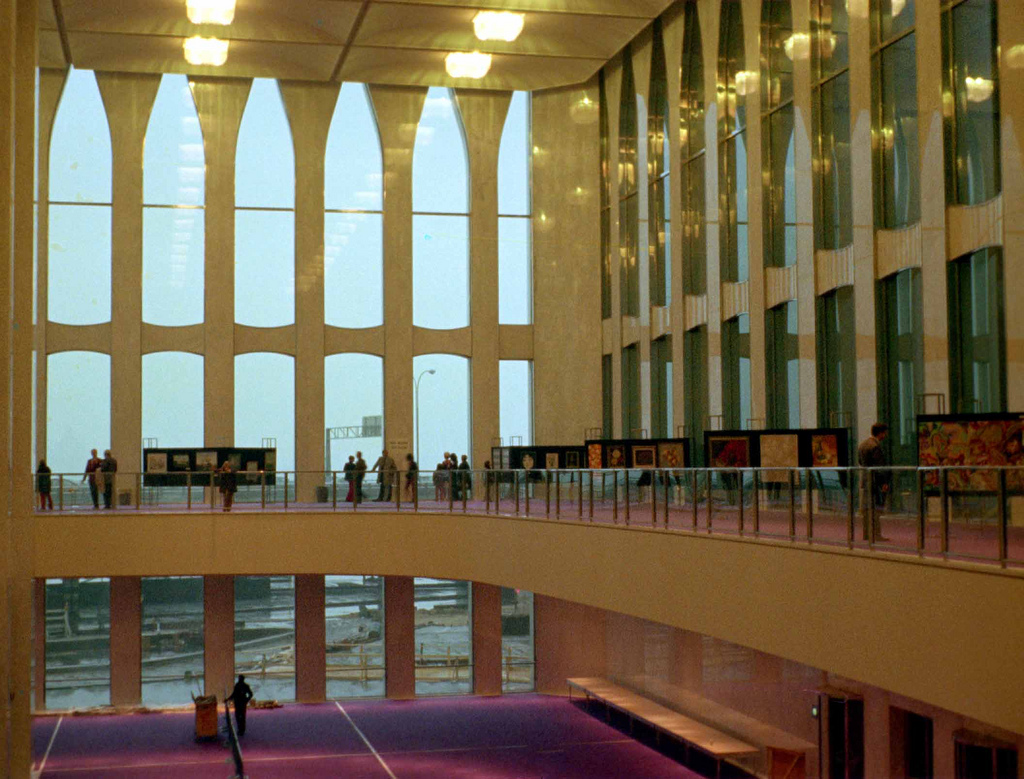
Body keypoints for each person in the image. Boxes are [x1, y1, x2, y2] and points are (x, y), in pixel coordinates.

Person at [857, 423, 891, 542]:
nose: (885, 435)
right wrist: (884, 482)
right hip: (875, 481)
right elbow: (879, 466)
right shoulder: (875, 446)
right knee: (875, 508)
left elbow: (860, 462)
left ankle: (866, 533)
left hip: (865, 480)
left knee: (866, 508)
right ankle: (876, 534)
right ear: (880, 433)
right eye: (884, 432)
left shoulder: (862, 445)